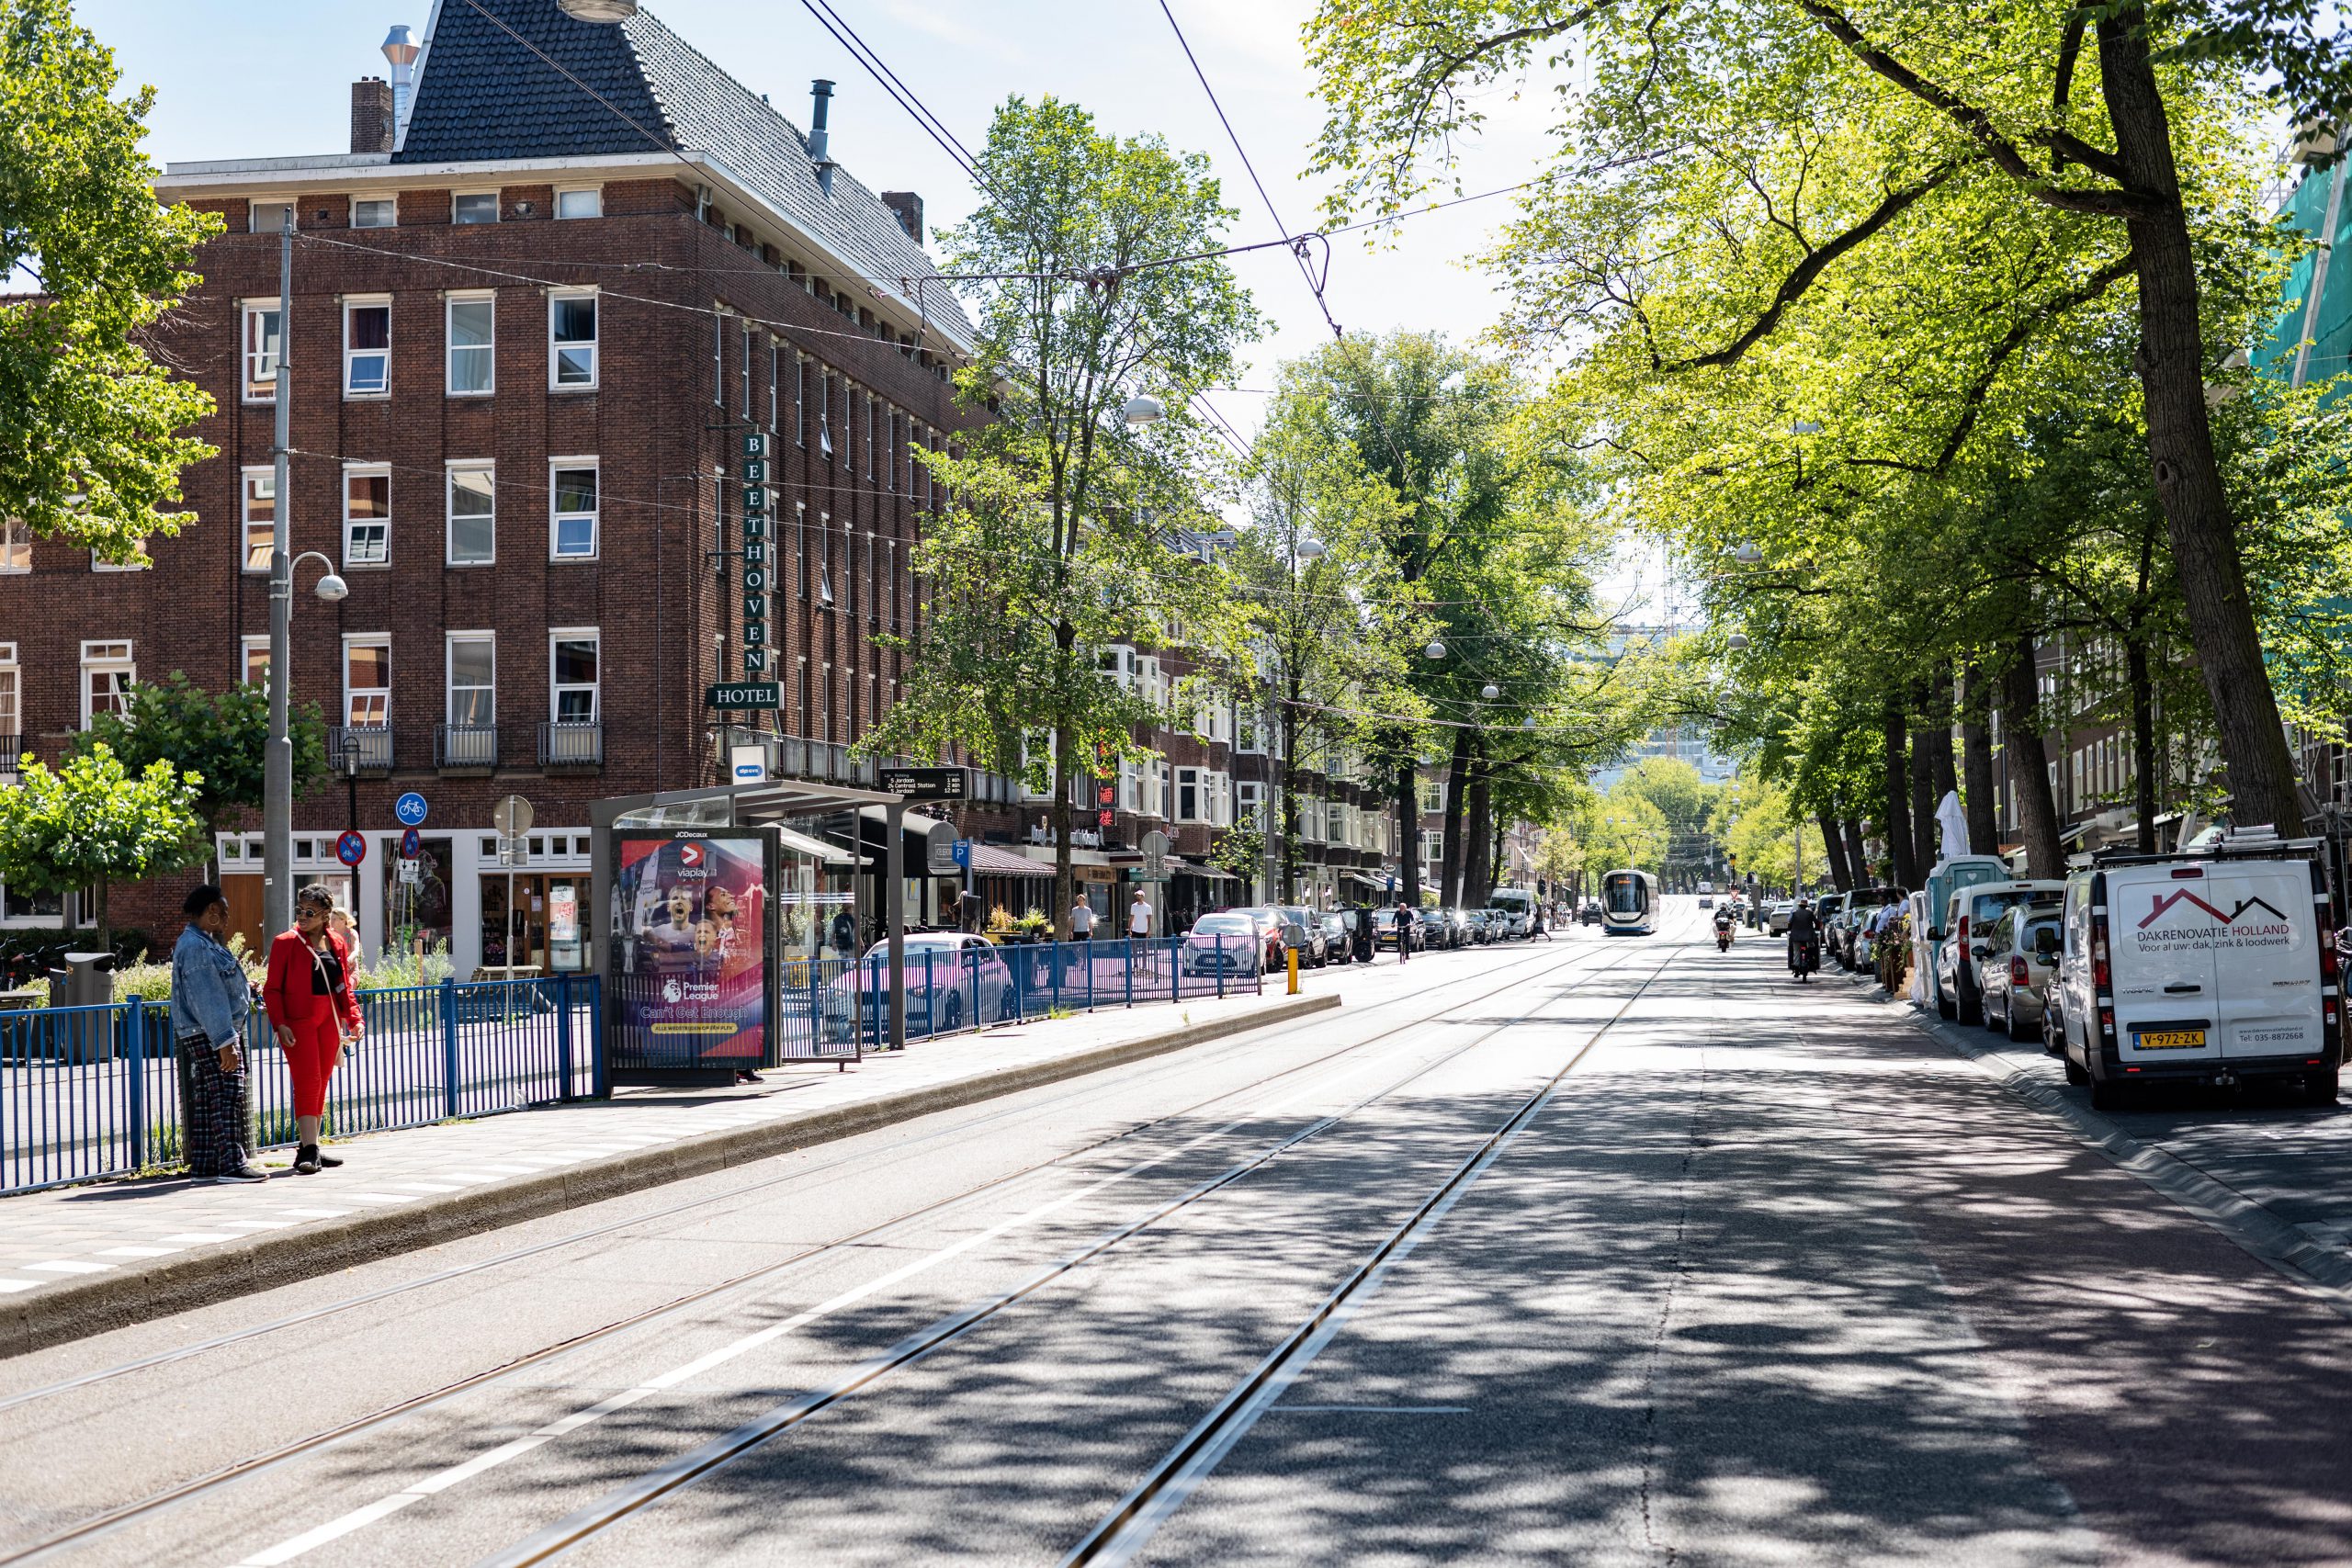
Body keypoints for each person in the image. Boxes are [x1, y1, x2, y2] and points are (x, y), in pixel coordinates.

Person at [265, 884, 363, 1176]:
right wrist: (279, 1024)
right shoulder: (285, 942)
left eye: (309, 911)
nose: (302, 916)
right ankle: (308, 1150)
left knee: (321, 1081)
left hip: (329, 1021)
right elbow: (272, 989)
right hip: (299, 1023)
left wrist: (355, 1019)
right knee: (307, 1080)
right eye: (299, 910)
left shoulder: (337, 942)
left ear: (325, 915)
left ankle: (311, 1147)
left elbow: (342, 987)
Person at [173, 885, 266, 1184]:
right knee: (227, 1094)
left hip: (203, 1031)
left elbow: (212, 990)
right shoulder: (199, 947)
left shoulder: (196, 943)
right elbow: (208, 997)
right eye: (223, 913)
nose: (227, 919)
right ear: (211, 911)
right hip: (212, 1033)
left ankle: (205, 1164)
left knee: (209, 1096)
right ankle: (231, 1164)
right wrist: (226, 1042)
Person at [1127, 888, 1153, 971]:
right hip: (1135, 929)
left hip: (1144, 930)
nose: (1137, 896)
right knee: (1134, 947)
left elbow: (1149, 919)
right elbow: (1131, 918)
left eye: (1139, 895)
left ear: (1142, 896)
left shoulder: (1147, 907)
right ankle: (1135, 963)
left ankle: (1144, 965)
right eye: (1137, 895)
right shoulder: (1133, 906)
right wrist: (1129, 929)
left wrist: (1148, 930)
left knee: (1144, 947)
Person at [1396, 895, 1416, 963]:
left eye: (1402, 908)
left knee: (1407, 940)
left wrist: (1411, 924)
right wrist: (1392, 923)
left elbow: (1413, 920)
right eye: (1400, 908)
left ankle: (1407, 954)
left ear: (1405, 908)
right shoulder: (1397, 912)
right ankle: (1399, 947)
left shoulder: (1409, 913)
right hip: (1400, 927)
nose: (1401, 909)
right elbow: (1393, 919)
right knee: (1398, 937)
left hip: (1406, 928)